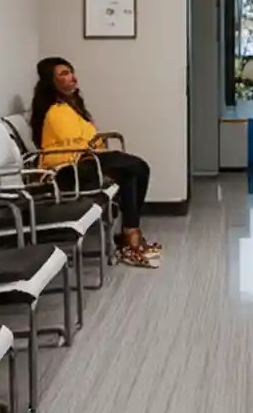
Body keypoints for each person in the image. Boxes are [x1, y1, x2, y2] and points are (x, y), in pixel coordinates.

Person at [30, 56, 162, 268]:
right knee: (137, 166)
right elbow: (78, 146)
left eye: (71, 72)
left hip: (85, 162)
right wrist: (98, 149)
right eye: (64, 74)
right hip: (65, 172)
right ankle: (130, 236)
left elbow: (89, 139)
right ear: (50, 82)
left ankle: (129, 234)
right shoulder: (55, 112)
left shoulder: (73, 108)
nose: (72, 77)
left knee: (131, 173)